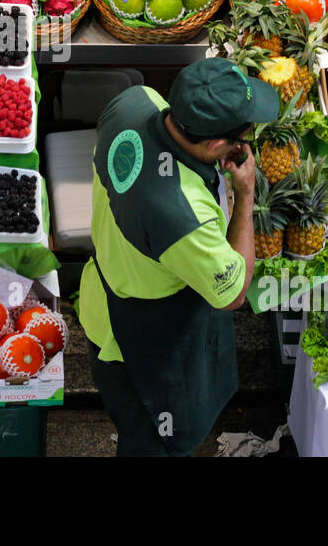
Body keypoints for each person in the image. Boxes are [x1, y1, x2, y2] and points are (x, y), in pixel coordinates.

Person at [81, 58, 280, 456]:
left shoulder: (134, 102)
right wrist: (244, 195)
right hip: (144, 344)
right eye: (245, 135)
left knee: (129, 417)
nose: (248, 141)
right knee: (153, 440)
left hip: (101, 303)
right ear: (215, 145)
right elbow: (234, 293)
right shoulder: (185, 218)